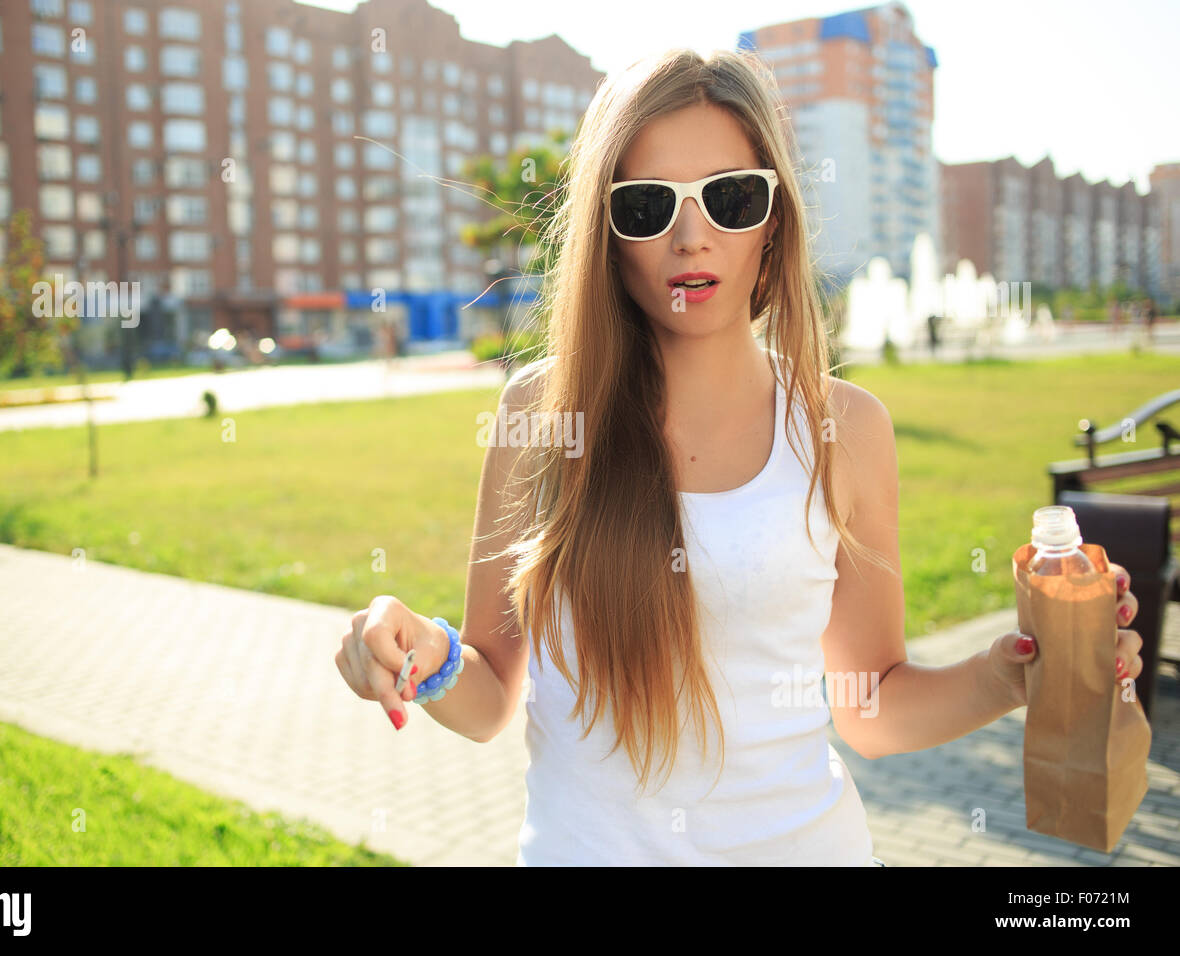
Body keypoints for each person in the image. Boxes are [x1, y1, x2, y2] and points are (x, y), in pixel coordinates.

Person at [333, 48, 1145, 866]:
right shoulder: (537, 418)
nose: (692, 238)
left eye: (729, 197)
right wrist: (424, 654)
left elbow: (871, 708)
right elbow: (489, 698)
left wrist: (1013, 673)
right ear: (607, 238)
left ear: (775, 220)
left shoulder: (848, 428)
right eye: (647, 206)